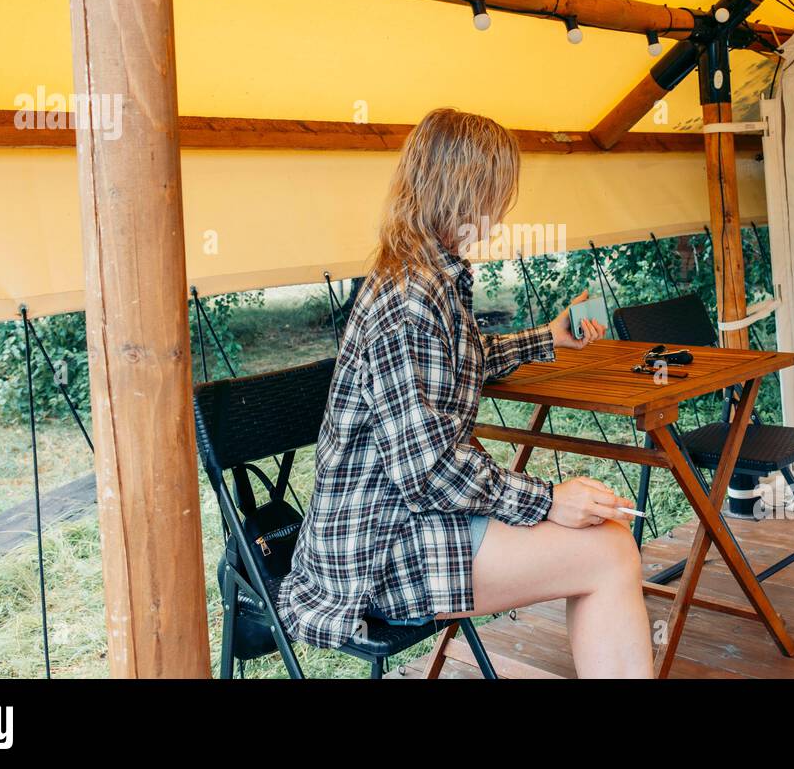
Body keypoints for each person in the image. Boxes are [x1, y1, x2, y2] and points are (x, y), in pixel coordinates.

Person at [280, 107, 654, 678]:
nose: (502, 213)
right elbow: (425, 471)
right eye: (497, 194)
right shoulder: (411, 299)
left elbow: (461, 360)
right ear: (465, 193)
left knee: (608, 542)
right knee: (608, 553)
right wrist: (549, 499)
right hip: (380, 550)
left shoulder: (427, 275)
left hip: (412, 516)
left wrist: (546, 339)